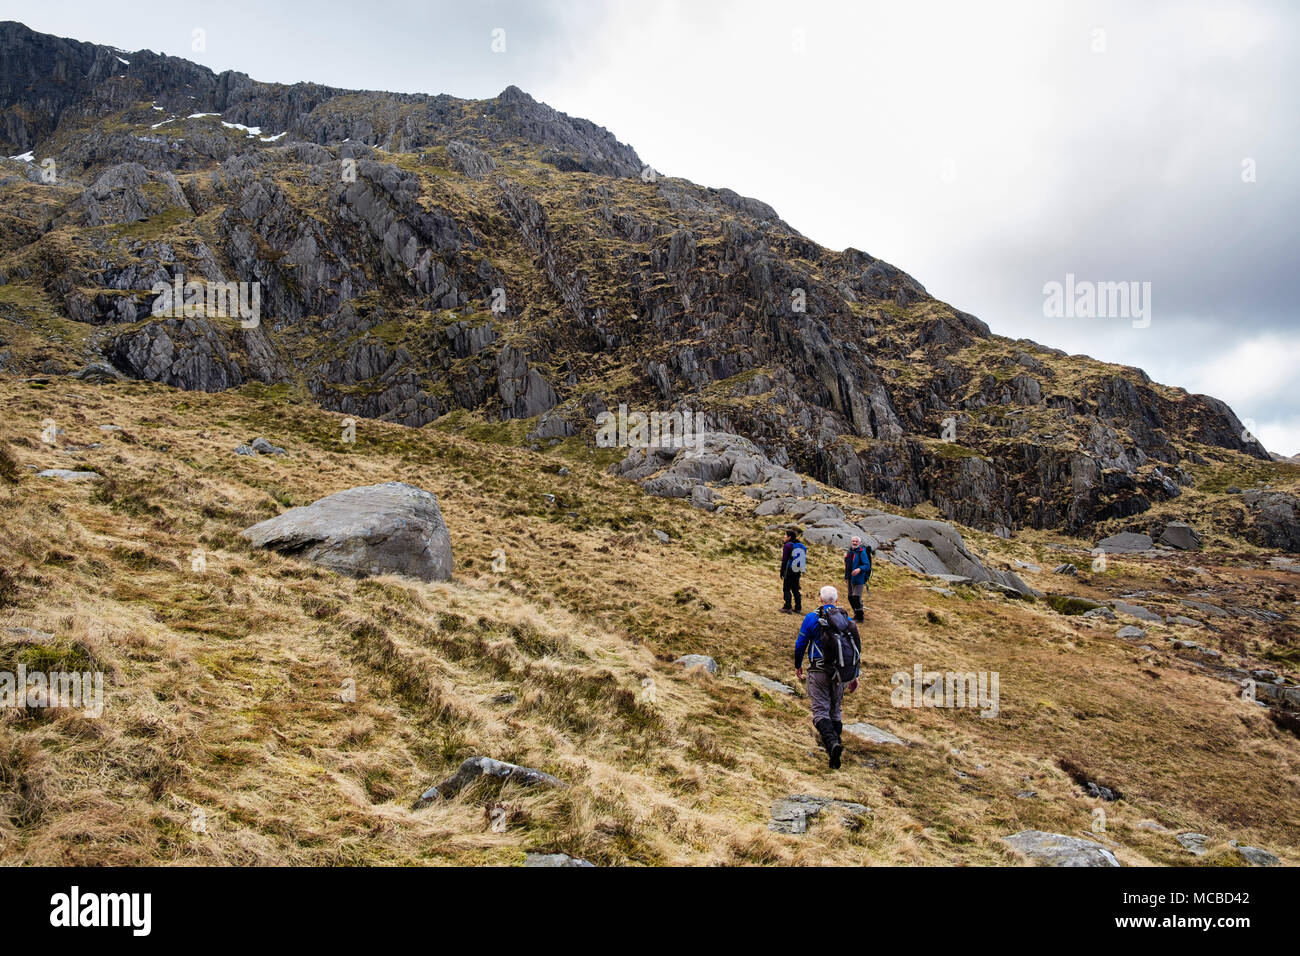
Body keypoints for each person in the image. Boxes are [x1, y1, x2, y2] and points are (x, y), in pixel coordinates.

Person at [794, 586, 861, 769]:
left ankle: (832, 744)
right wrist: (855, 675)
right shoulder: (846, 620)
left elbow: (800, 643)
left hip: (819, 671)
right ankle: (835, 746)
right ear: (837, 600)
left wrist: (798, 664)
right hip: (841, 673)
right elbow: (854, 648)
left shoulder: (812, 618)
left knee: (820, 712)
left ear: (820, 600)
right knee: (835, 711)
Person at [843, 535, 873, 623]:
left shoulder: (861, 552)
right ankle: (856, 613)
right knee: (850, 597)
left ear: (860, 543)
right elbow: (847, 566)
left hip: (859, 578)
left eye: (856, 541)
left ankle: (860, 617)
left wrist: (859, 569)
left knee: (856, 597)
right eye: (853, 541)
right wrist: (846, 577)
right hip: (850, 578)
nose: (854, 543)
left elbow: (867, 565)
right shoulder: (850, 551)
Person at [779, 528, 805, 614]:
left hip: (789, 569)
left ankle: (787, 607)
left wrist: (782, 571)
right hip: (797, 570)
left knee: (786, 588)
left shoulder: (788, 546)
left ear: (789, 537)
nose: (784, 536)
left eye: (785, 535)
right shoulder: (799, 545)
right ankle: (798, 607)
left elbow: (784, 560)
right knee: (795, 588)